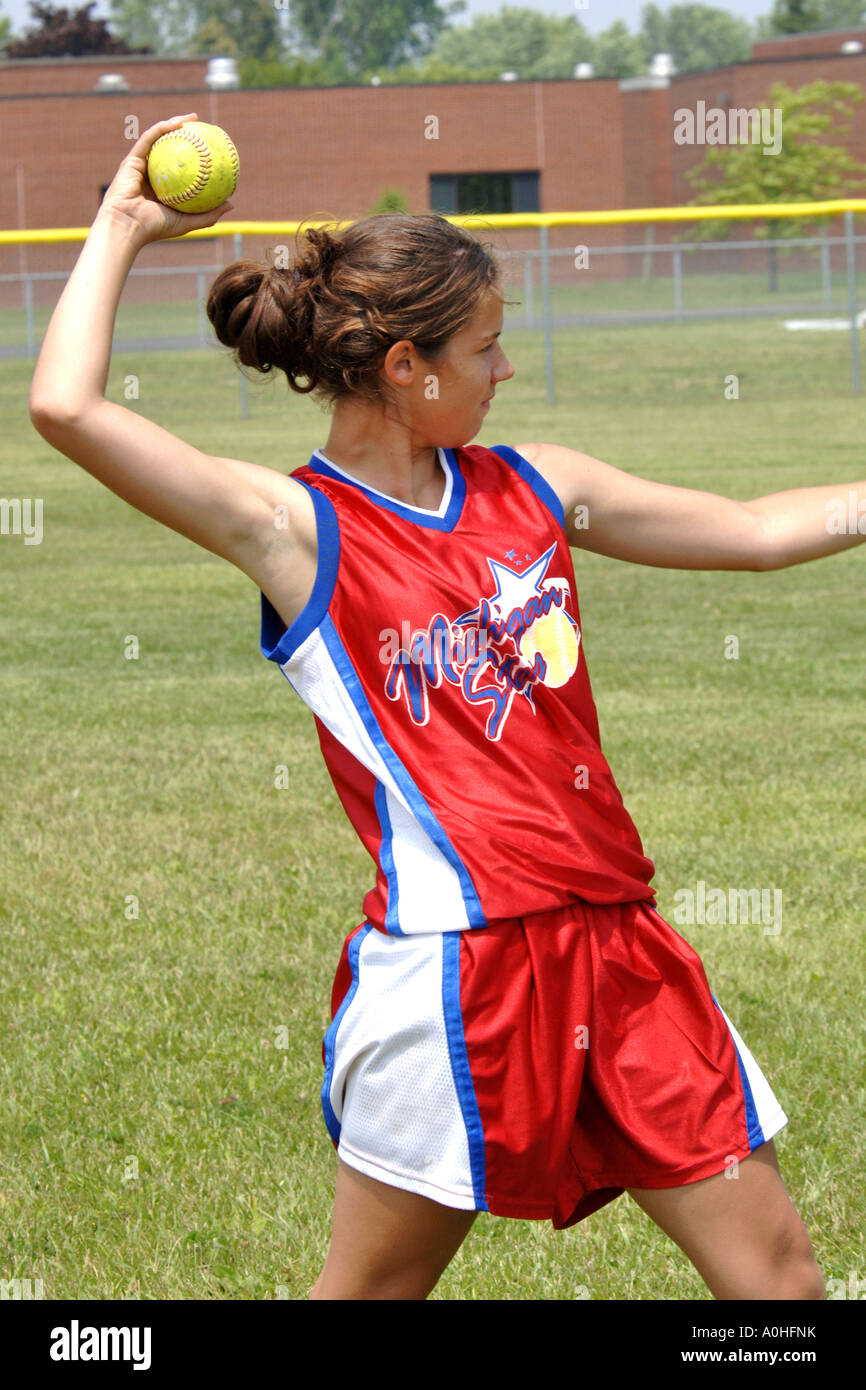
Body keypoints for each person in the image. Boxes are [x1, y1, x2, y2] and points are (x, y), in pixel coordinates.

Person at [30, 114, 855, 1303]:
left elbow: (757, 531)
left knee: (778, 1280)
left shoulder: (538, 483)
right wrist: (122, 223)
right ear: (406, 366)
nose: (504, 369)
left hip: (621, 946)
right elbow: (67, 409)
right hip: (454, 976)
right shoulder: (295, 529)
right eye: (485, 348)